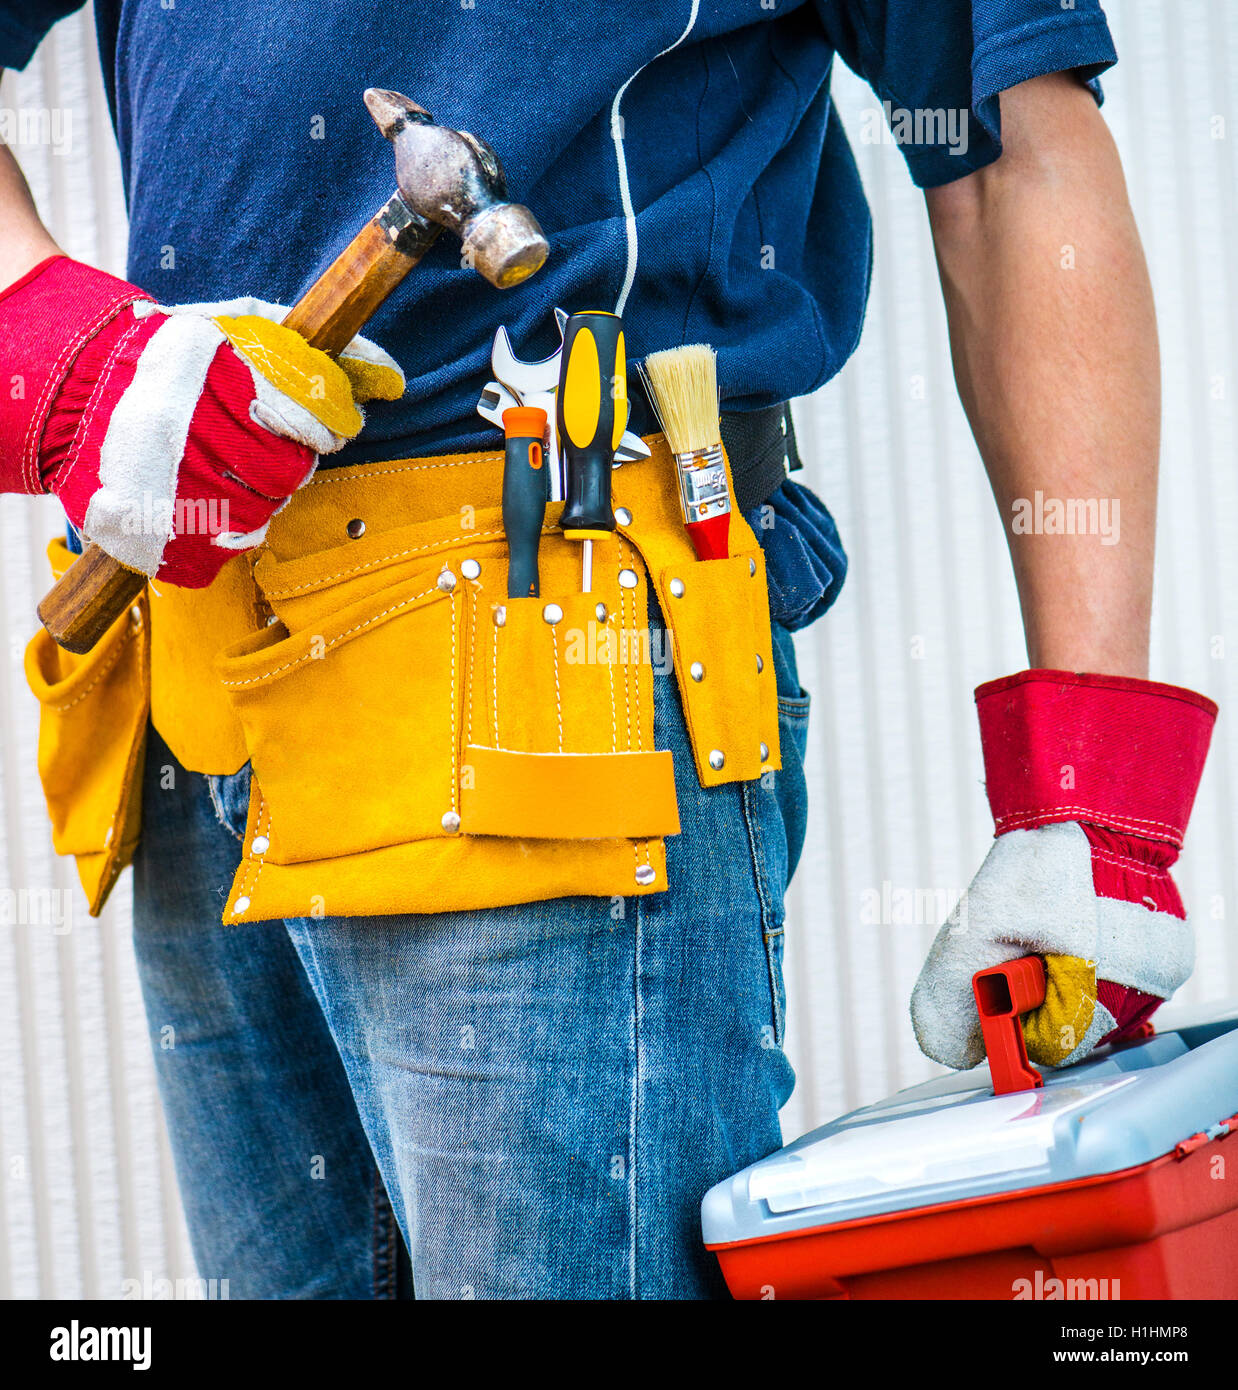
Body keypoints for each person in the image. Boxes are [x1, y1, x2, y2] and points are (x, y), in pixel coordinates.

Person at [0, 1, 1216, 1299]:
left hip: (544, 664)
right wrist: (54, 345)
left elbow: (1007, 145)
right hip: (183, 663)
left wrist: (1091, 795)